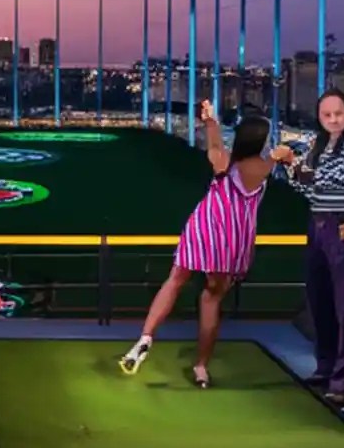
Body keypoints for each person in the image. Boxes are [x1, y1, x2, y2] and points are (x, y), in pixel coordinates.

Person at [119, 100, 288, 387]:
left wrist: (211, 120)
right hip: (233, 242)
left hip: (204, 229)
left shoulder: (225, 161)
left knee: (175, 280)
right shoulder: (263, 166)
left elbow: (214, 145)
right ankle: (201, 367)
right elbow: (275, 164)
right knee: (211, 299)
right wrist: (279, 156)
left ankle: (146, 337)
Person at [277, 89, 344, 405]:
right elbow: (307, 188)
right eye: (326, 115)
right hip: (319, 225)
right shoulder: (319, 143)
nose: (333, 120)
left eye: (339, 113)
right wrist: (293, 167)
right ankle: (326, 367)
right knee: (320, 299)